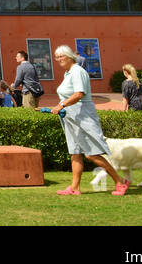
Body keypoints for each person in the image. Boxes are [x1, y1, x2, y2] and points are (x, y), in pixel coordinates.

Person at [51, 45, 127, 195]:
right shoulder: (69, 73)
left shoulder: (78, 71)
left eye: (61, 56)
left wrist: (61, 105)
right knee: (75, 152)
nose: (59, 59)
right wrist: (61, 107)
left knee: (91, 153)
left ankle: (121, 182)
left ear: (70, 56)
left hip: (83, 116)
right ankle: (74, 187)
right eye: (57, 57)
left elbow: (79, 94)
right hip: (71, 117)